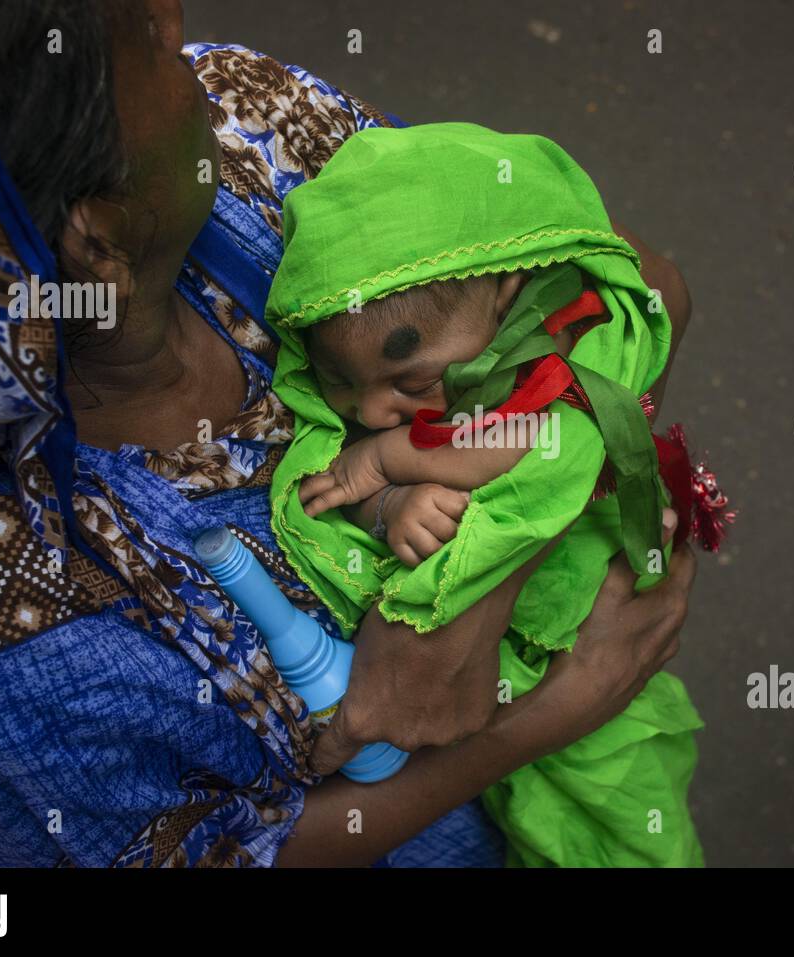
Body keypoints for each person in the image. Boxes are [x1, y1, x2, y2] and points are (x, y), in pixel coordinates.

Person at [0, 0, 696, 867]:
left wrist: (466, 606)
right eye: (139, 39)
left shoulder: (246, 121)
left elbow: (637, 288)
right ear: (98, 240)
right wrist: (555, 708)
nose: (170, 16)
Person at [262, 123, 728, 865]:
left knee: (621, 834)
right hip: (505, 693)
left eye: (410, 383)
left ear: (509, 297)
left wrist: (384, 462)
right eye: (341, 384)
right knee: (539, 819)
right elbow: (331, 485)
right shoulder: (407, 375)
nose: (372, 411)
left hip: (583, 638)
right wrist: (386, 508)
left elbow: (533, 448)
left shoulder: (560, 342)